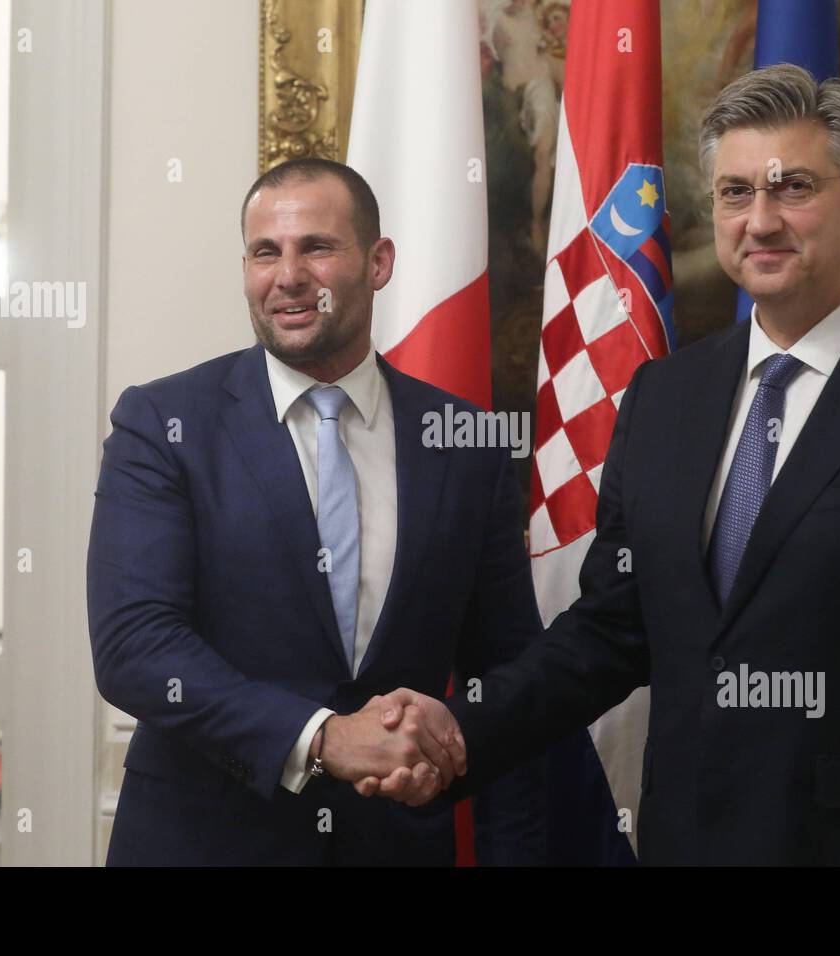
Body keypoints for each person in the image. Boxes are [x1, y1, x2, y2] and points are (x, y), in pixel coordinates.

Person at [361, 64, 840, 866]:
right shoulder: (667, 396)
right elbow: (611, 630)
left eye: (792, 187)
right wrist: (460, 729)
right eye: (736, 193)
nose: (760, 221)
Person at [87, 157, 546, 865]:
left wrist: (445, 742)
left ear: (379, 261)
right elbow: (136, 649)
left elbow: (509, 671)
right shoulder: (165, 423)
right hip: (203, 844)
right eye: (265, 252)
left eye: (317, 248)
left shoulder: (465, 442)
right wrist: (326, 737)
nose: (288, 276)